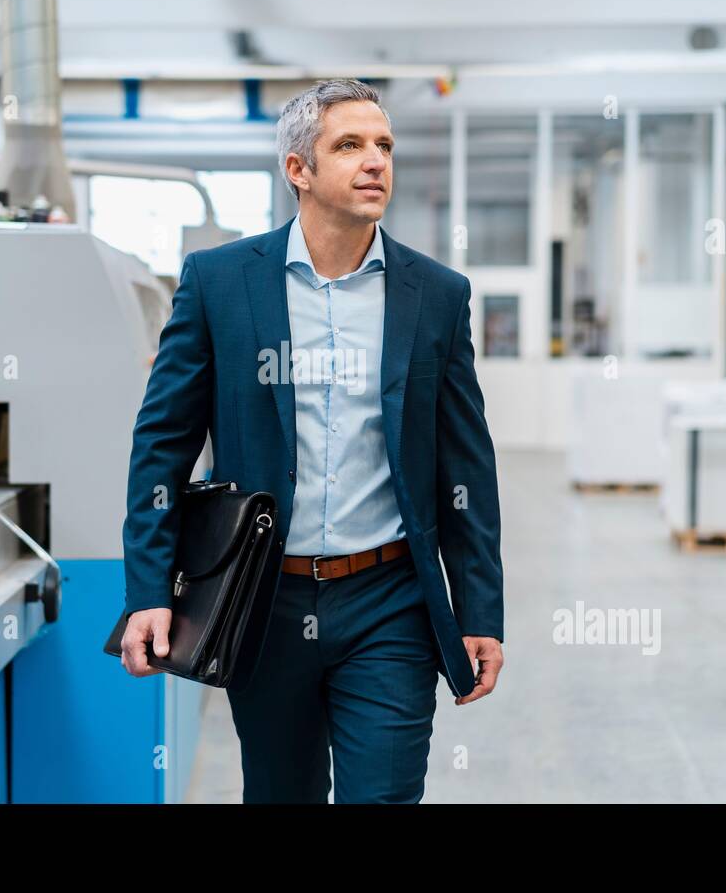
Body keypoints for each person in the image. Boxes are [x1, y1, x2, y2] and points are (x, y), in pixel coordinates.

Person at [118, 78, 504, 803]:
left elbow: (467, 466)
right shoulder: (221, 283)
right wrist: (148, 590)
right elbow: (161, 445)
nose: (375, 162)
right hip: (265, 602)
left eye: (384, 145)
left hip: (391, 601)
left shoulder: (437, 295)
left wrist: (479, 611)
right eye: (350, 145)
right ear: (298, 170)